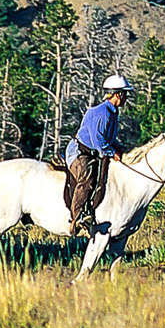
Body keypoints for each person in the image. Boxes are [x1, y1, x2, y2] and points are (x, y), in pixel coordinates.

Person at [65, 74, 129, 235]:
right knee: (88, 178)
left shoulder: (113, 113)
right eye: (125, 94)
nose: (126, 97)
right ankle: (76, 218)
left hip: (92, 152)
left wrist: (120, 149)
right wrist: (112, 152)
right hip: (79, 152)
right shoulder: (102, 113)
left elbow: (109, 139)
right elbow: (99, 141)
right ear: (117, 94)